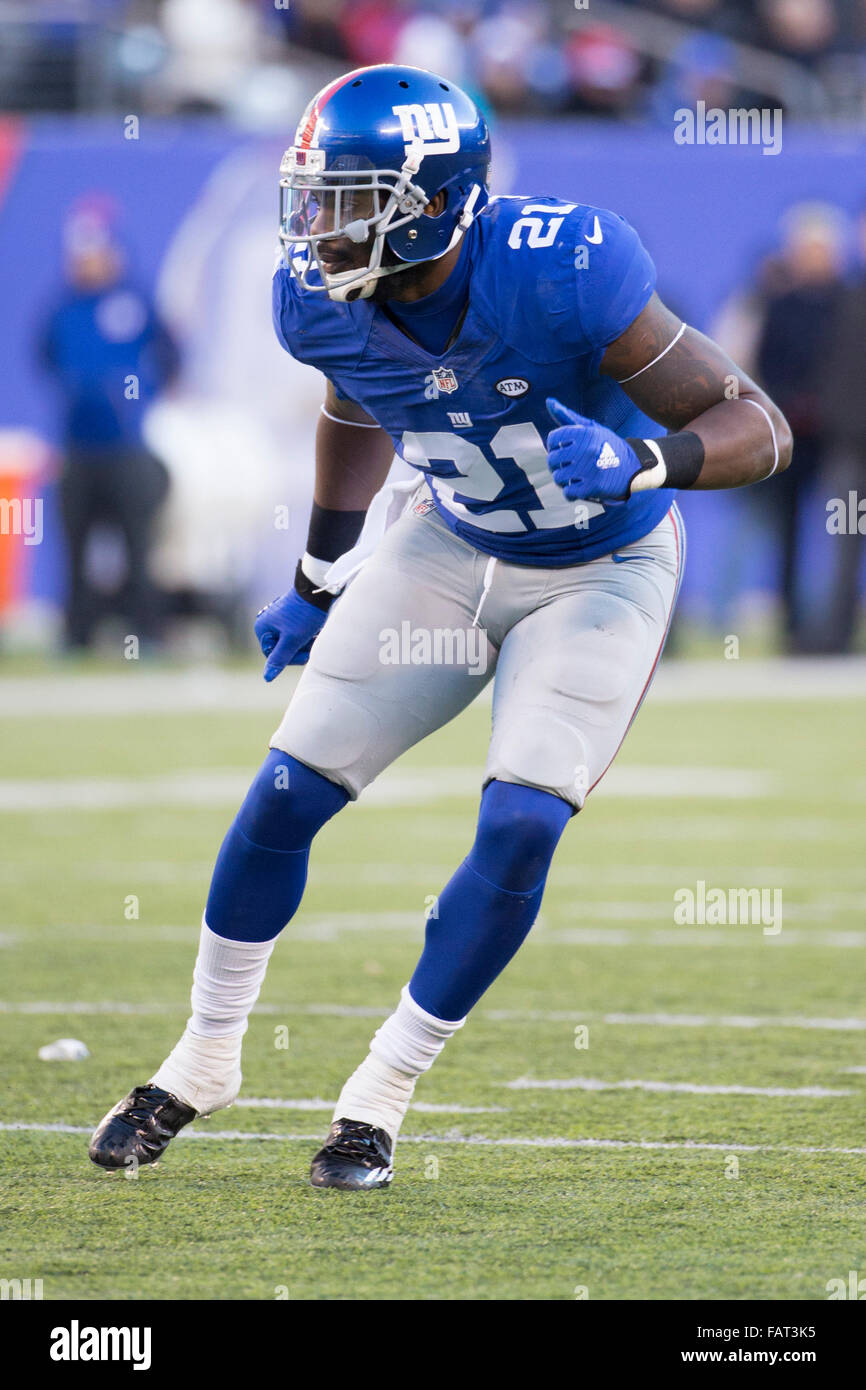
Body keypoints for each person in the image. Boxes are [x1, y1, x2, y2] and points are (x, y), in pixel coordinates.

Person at [89, 64, 791, 1189]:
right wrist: (318, 573)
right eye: (313, 192)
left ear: (431, 200)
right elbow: (355, 399)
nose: (319, 222)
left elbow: (753, 422)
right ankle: (202, 1058)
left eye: (349, 196)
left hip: (597, 567)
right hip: (446, 543)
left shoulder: (562, 269)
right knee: (287, 790)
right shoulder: (319, 294)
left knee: (520, 824)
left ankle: (377, 1096)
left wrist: (642, 458)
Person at [41, 203, 179, 649]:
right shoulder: (62, 308)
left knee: (136, 546)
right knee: (75, 549)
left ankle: (147, 636)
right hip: (77, 450)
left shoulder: (133, 301)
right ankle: (76, 639)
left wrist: (139, 397)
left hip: (127, 449)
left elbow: (171, 351)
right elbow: (46, 357)